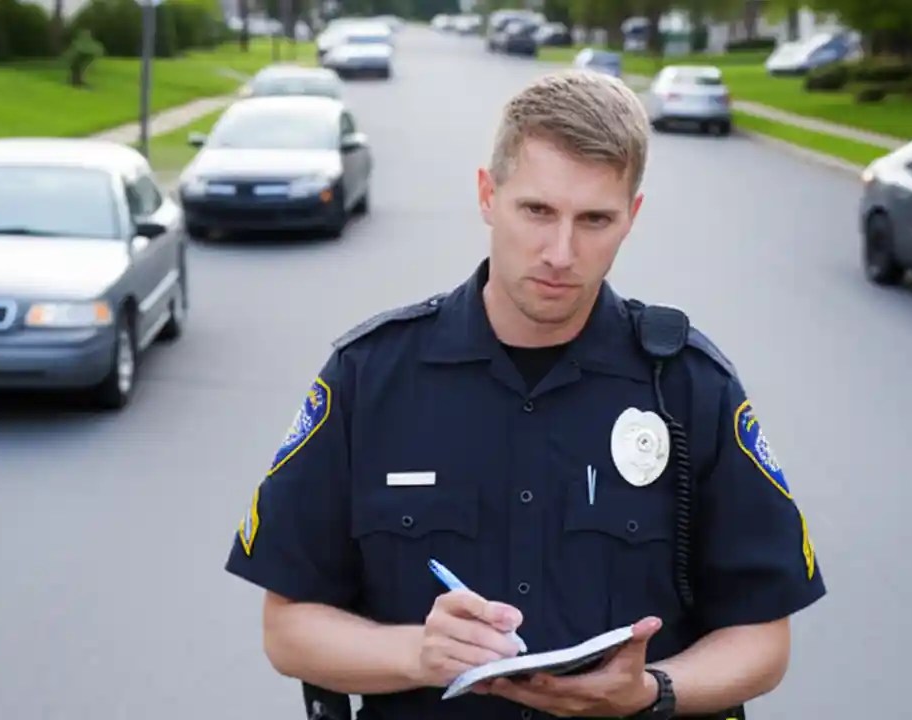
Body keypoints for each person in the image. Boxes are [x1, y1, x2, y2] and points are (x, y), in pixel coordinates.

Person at [223, 67, 826, 720]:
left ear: (633, 217)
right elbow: (287, 628)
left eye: (595, 219)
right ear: (488, 195)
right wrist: (418, 653)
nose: (561, 252)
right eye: (537, 210)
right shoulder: (370, 377)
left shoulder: (688, 387)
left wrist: (651, 692)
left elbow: (764, 639)